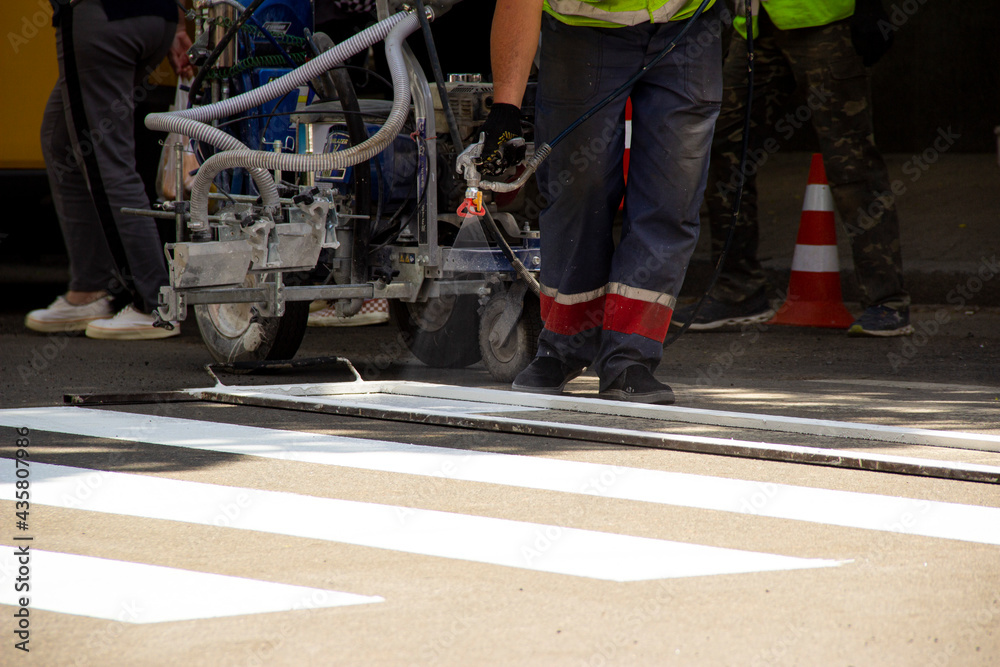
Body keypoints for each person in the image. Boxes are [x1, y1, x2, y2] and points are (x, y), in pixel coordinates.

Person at [479, 0, 723, 404]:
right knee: (578, 191)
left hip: (687, 23)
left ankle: (631, 358)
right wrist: (506, 106)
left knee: (671, 198)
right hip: (584, 29)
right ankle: (563, 346)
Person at [673, 0, 913, 336]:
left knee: (850, 159)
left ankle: (887, 301)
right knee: (724, 147)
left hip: (825, 20)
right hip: (755, 26)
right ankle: (737, 290)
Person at [25, 0, 193, 340]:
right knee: (62, 143)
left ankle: (155, 304)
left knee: (105, 160)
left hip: (97, 15)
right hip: (154, 16)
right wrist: (175, 22)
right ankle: (89, 288)